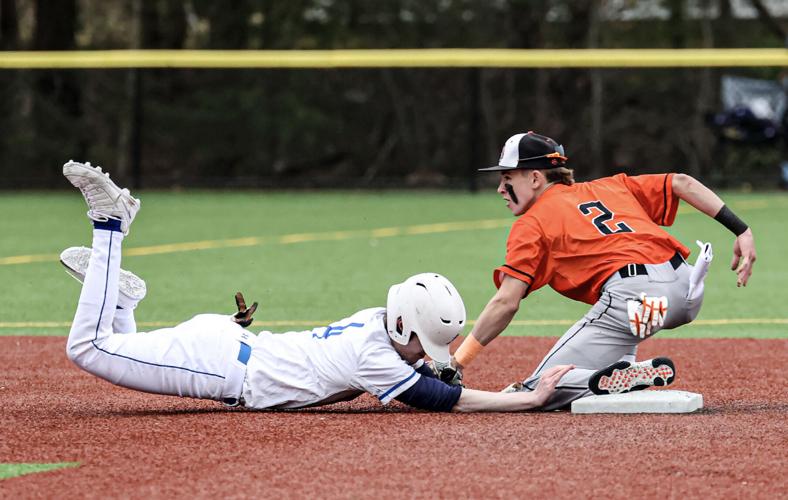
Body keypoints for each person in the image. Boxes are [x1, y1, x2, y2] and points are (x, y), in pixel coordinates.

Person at [61, 160, 573, 412]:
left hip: (227, 350)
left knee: (114, 342)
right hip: (218, 367)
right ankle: (111, 225)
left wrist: (445, 365)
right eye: (423, 340)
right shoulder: (376, 355)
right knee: (88, 348)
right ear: (403, 325)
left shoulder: (378, 322)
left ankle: (118, 294)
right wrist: (521, 400)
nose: (424, 352)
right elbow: (438, 400)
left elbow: (427, 370)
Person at [432, 131, 757, 410]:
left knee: (540, 389)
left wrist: (457, 361)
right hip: (687, 288)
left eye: (507, 179)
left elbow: (507, 301)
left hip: (638, 297)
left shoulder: (532, 223)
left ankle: (612, 377)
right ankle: (627, 372)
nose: (501, 189)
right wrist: (741, 230)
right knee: (620, 333)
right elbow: (682, 182)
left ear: (535, 178)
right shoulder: (610, 186)